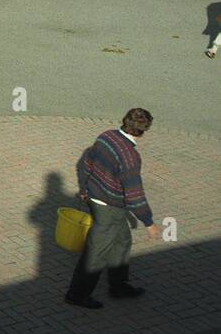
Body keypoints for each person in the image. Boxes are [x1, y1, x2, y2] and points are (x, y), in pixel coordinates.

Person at [65, 109, 160, 309]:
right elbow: (135, 195)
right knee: (96, 253)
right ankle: (77, 295)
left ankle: (119, 286)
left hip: (98, 199)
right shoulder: (130, 156)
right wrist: (148, 222)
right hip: (108, 207)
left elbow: (86, 163)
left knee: (122, 241)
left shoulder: (106, 136)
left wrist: (84, 189)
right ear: (142, 131)